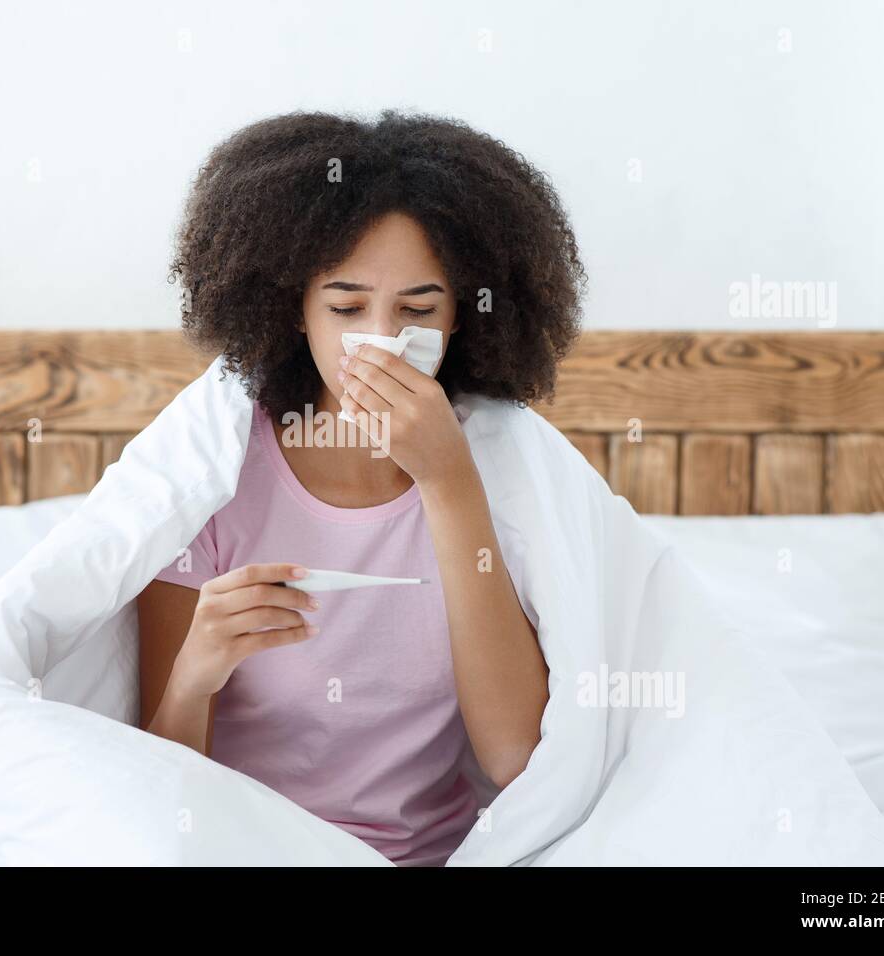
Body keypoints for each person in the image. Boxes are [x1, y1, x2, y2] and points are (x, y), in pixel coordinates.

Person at [136, 108, 586, 866]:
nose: (380, 340)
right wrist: (195, 675)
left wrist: (447, 483)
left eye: (417, 310)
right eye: (346, 308)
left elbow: (517, 758)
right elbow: (153, 795)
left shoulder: (499, 478)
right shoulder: (207, 481)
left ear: (461, 320)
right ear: (295, 312)